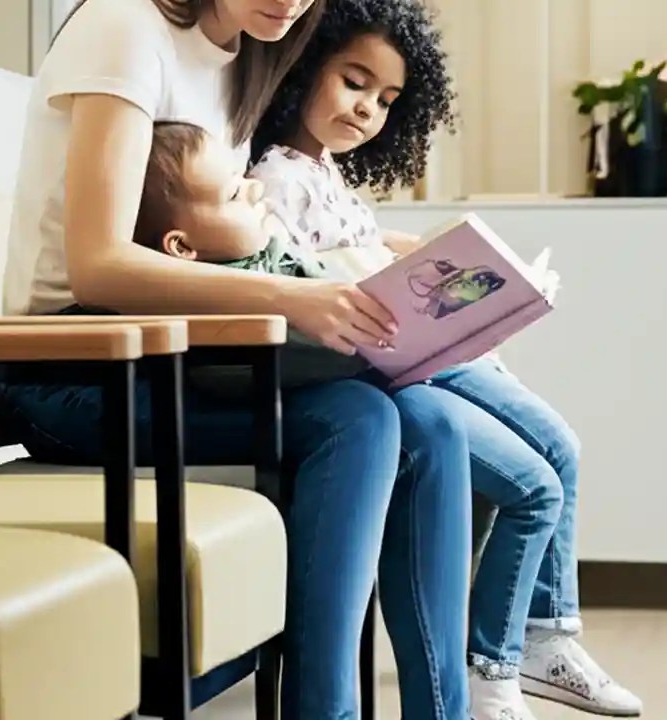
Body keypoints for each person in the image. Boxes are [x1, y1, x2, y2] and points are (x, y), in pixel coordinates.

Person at [0, 0, 475, 717]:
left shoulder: (244, 57)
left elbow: (229, 229)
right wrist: (288, 297)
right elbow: (96, 266)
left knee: (430, 424)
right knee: (361, 419)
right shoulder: (124, 29)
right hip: (77, 366)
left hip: (182, 350)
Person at [245, 0, 645, 717]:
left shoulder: (325, 174)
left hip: (399, 362)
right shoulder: (276, 176)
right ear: (306, 65)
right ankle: (520, 651)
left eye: (386, 99)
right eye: (354, 82)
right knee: (550, 460)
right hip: (373, 367)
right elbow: (309, 281)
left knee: (543, 474)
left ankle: (513, 654)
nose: (368, 109)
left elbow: (356, 243)